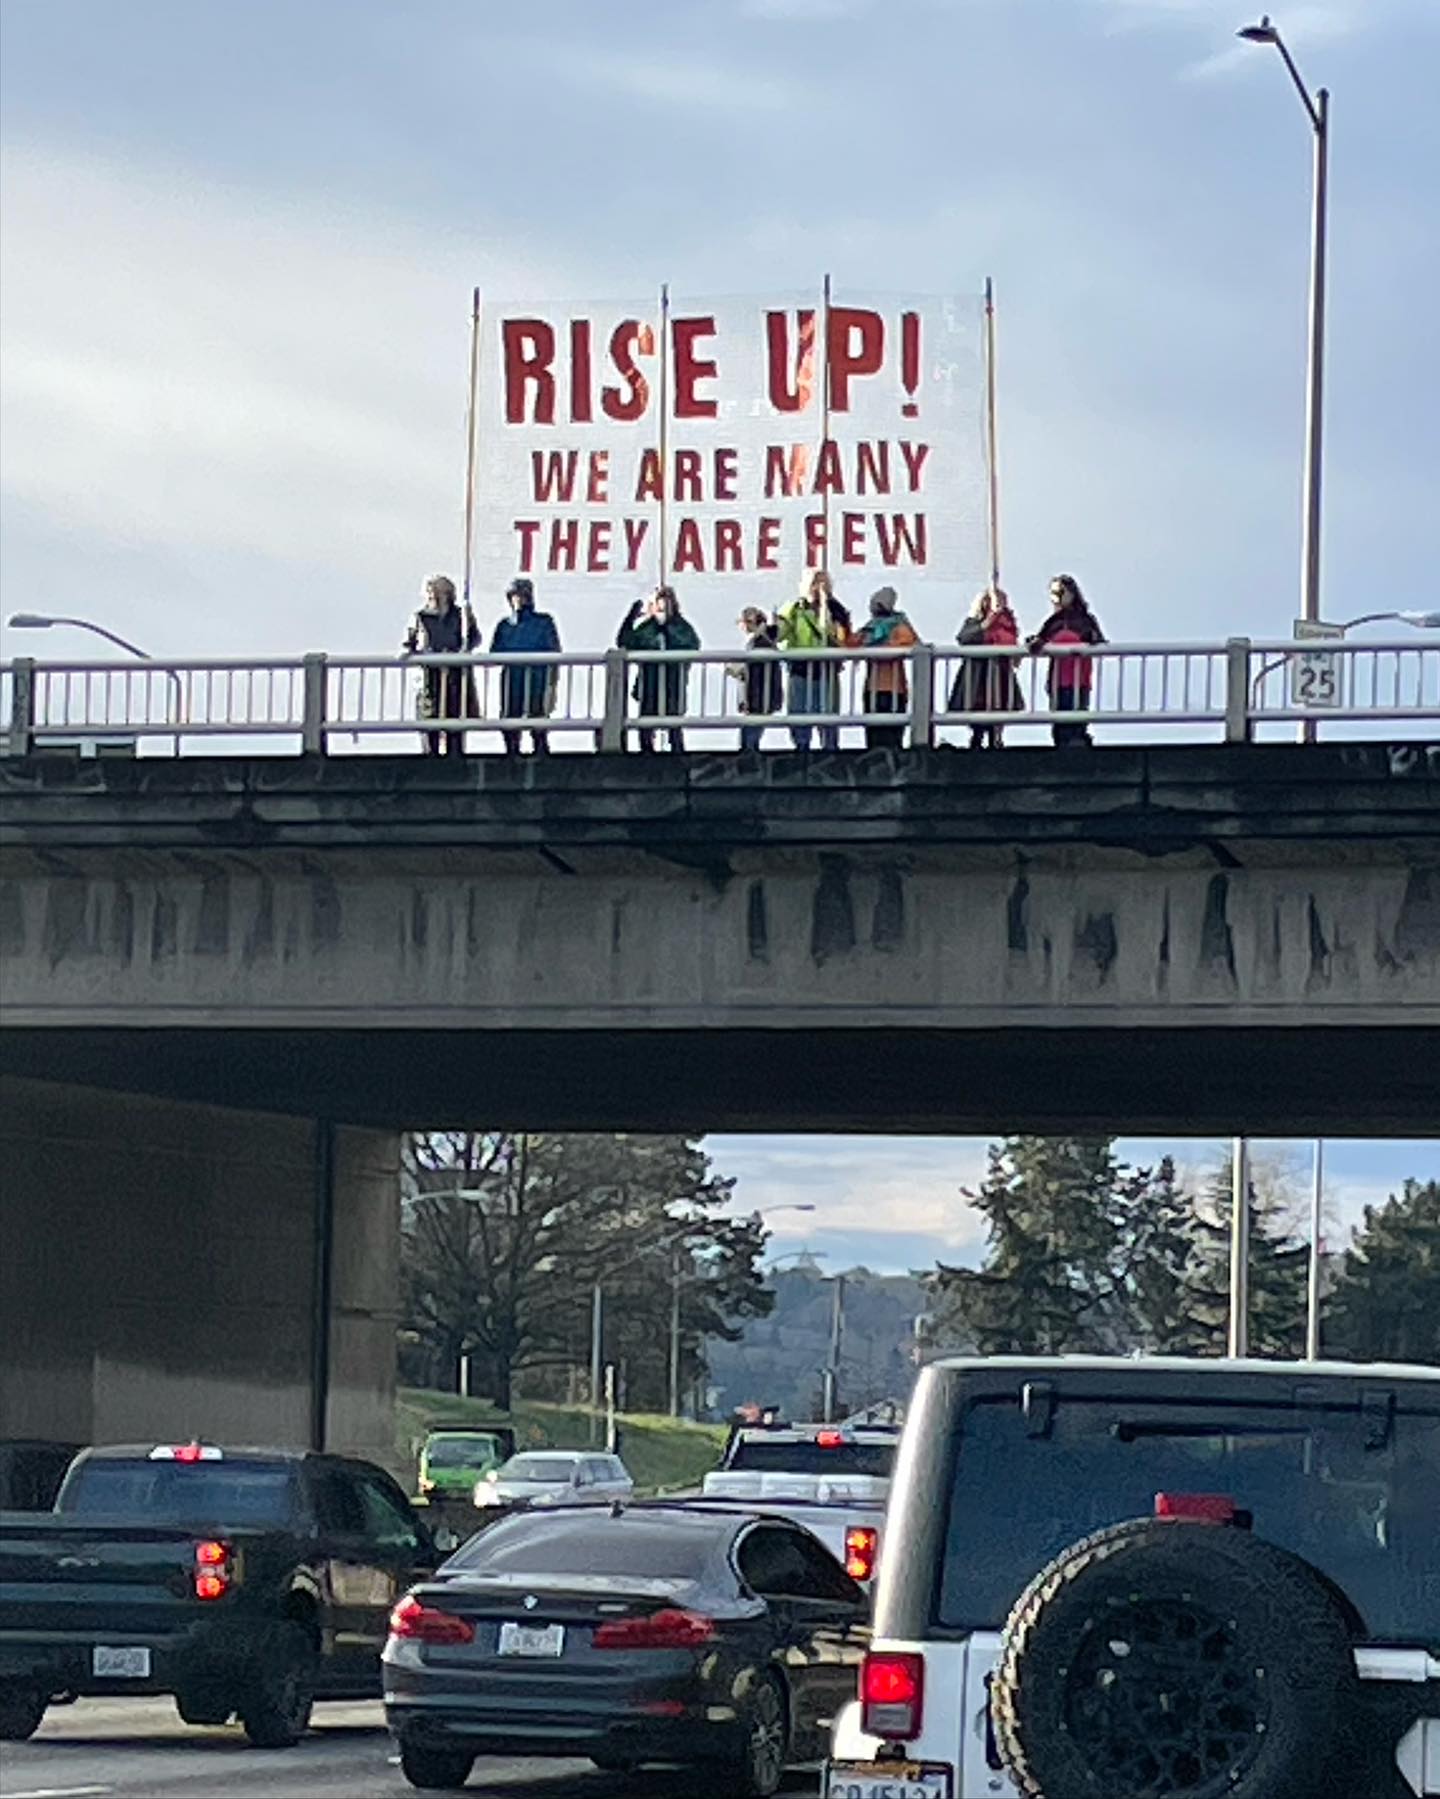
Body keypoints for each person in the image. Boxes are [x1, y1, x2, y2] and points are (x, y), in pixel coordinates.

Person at [402, 575, 479, 756]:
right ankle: (431, 758)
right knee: (431, 720)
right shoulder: (420, 617)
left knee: (455, 720)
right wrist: (416, 653)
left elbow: (474, 639)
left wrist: (470, 622)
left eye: (438, 592)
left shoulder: (460, 615)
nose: (433, 596)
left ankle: (456, 758)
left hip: (456, 675)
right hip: (431, 676)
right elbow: (409, 643)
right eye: (430, 592)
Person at [616, 586, 700, 751]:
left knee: (673, 722)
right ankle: (647, 755)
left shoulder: (681, 627)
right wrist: (630, 618)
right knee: (646, 723)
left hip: (672, 682)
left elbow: (692, 645)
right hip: (649, 681)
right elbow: (625, 643)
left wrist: (667, 629)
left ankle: (677, 755)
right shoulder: (646, 628)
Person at [777, 568, 852, 750]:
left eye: (823, 582)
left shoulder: (837, 610)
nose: (818, 588)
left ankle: (830, 749)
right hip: (800, 669)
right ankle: (801, 749)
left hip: (827, 670)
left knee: (828, 714)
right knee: (799, 713)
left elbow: (842, 638)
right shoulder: (794, 609)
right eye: (814, 583)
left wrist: (826, 608)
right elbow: (779, 635)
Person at [1029, 574, 1105, 748]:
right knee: (1060, 713)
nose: (1057, 597)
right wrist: (1035, 643)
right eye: (1054, 593)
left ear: (1072, 593)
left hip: (1079, 676)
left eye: (1061, 591)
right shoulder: (1053, 621)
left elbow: (1098, 640)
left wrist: (1090, 638)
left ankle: (1079, 739)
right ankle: (1062, 743)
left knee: (1077, 710)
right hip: (1058, 677)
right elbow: (1040, 641)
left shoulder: (1085, 619)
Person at [490, 577, 561, 755]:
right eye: (515, 595)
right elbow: (494, 653)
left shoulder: (544, 622)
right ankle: (511, 753)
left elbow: (554, 651)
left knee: (537, 717)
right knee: (510, 716)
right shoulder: (504, 625)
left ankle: (541, 751)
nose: (519, 599)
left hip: (537, 677)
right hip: (512, 678)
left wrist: (552, 682)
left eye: (523, 595)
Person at [951, 588, 1022, 748]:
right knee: (979, 705)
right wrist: (985, 626)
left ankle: (995, 737)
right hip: (978, 673)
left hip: (999, 671)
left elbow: (1011, 644)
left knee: (999, 705)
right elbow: (964, 638)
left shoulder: (1006, 624)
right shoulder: (973, 622)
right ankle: (977, 738)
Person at [853, 586, 918, 749]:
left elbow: (909, 644)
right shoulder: (871, 627)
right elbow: (851, 644)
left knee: (888, 735)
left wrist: (877, 647)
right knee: (877, 734)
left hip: (891, 687)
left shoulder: (899, 627)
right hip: (878, 688)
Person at [731, 606, 781, 751]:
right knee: (752, 732)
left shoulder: (759, 642)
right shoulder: (767, 641)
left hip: (756, 698)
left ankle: (749, 761)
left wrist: (737, 670)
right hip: (760, 697)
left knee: (750, 735)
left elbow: (753, 669)